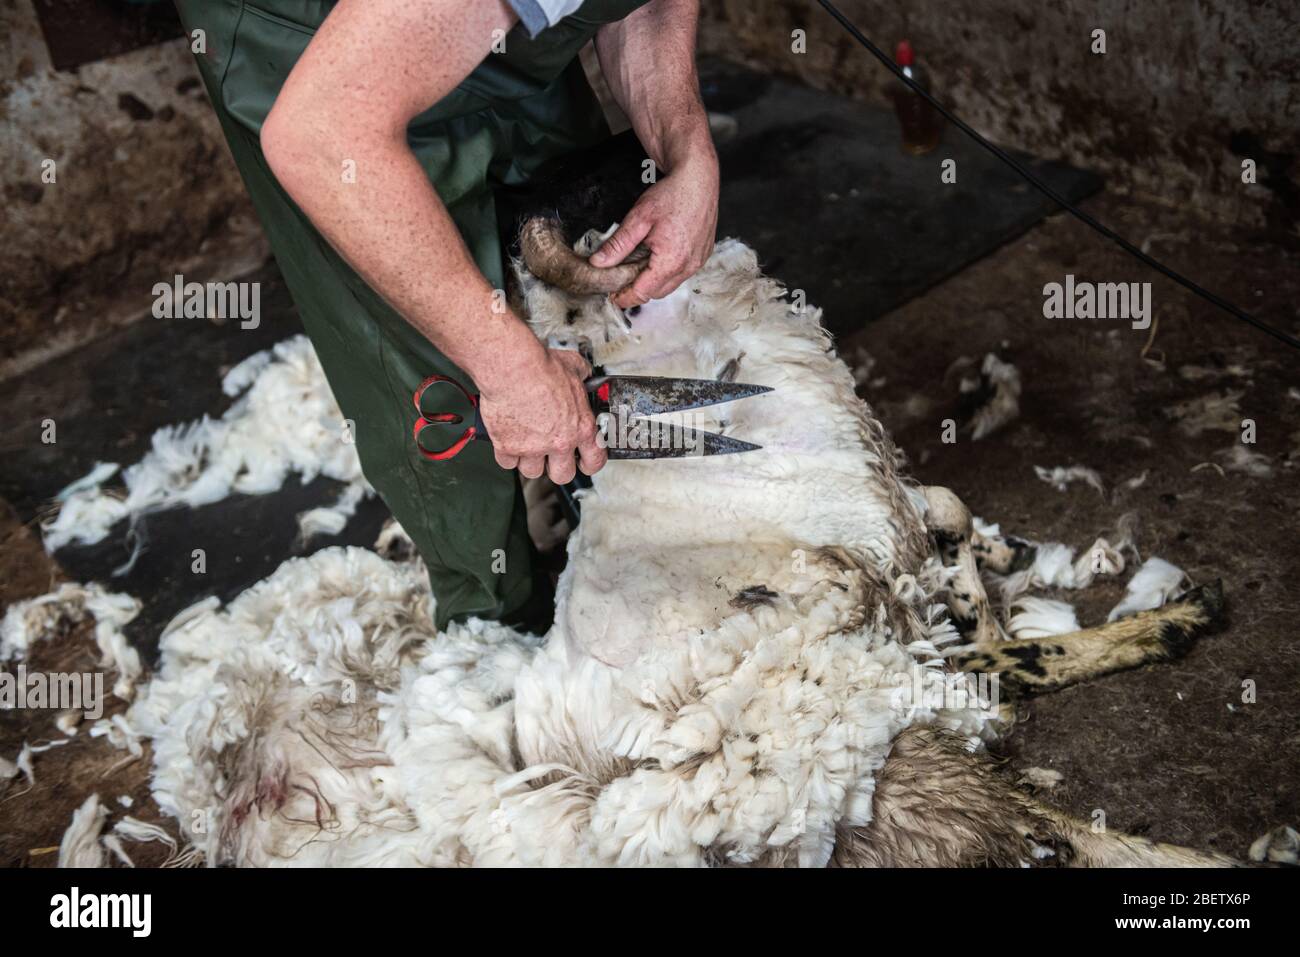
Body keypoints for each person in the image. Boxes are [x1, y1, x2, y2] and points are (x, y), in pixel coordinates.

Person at [173, 0, 720, 629]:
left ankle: (603, 545)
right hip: (312, 60)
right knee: (440, 384)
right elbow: (319, 137)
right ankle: (494, 632)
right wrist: (509, 368)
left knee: (584, 272)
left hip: (483, 30)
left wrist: (687, 152)